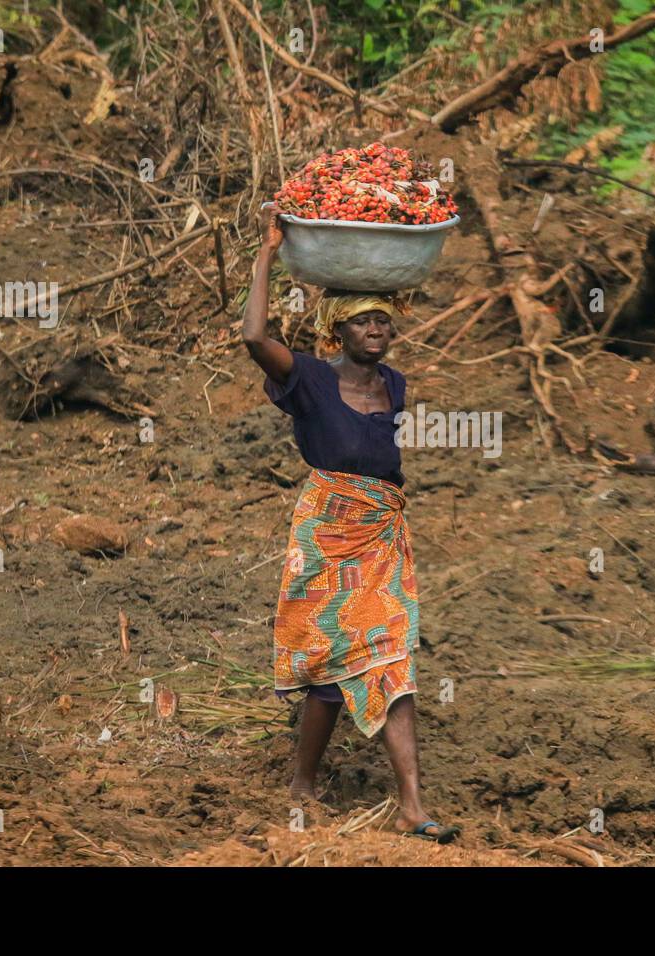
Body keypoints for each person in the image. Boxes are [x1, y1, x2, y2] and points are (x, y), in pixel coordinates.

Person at [240, 201, 460, 844]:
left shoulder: (395, 385)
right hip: (326, 531)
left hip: (382, 532)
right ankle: (302, 782)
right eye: (363, 322)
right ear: (337, 330)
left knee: (391, 655)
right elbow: (254, 337)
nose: (376, 331)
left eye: (383, 322)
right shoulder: (306, 377)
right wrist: (267, 253)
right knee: (331, 669)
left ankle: (412, 806)